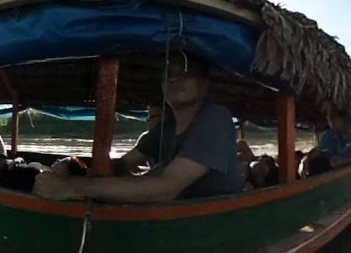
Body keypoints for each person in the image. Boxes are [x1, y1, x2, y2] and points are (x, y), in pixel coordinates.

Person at [33, 51, 244, 202]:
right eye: (168, 73)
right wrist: (71, 171)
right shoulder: (166, 127)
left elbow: (167, 188)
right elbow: (123, 165)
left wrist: (71, 187)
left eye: (186, 71)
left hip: (211, 224)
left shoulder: (215, 118)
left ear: (204, 83)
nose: (174, 78)